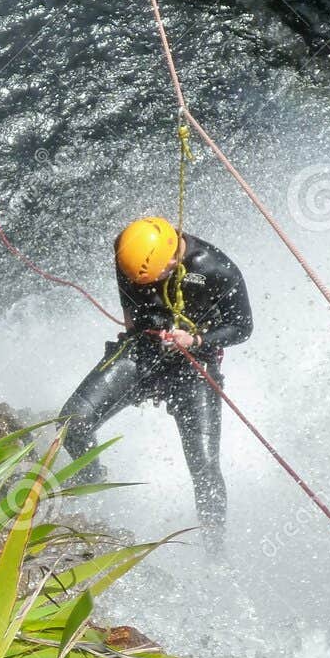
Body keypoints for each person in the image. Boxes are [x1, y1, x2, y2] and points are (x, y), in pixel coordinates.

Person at [60, 216, 252, 545]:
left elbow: (243, 327)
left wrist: (196, 340)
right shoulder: (128, 251)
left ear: (174, 259)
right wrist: (135, 331)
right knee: (73, 421)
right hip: (145, 351)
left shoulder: (217, 269)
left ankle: (214, 550)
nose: (149, 283)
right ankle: (90, 479)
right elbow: (129, 299)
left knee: (205, 470)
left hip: (194, 363)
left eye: (158, 276)